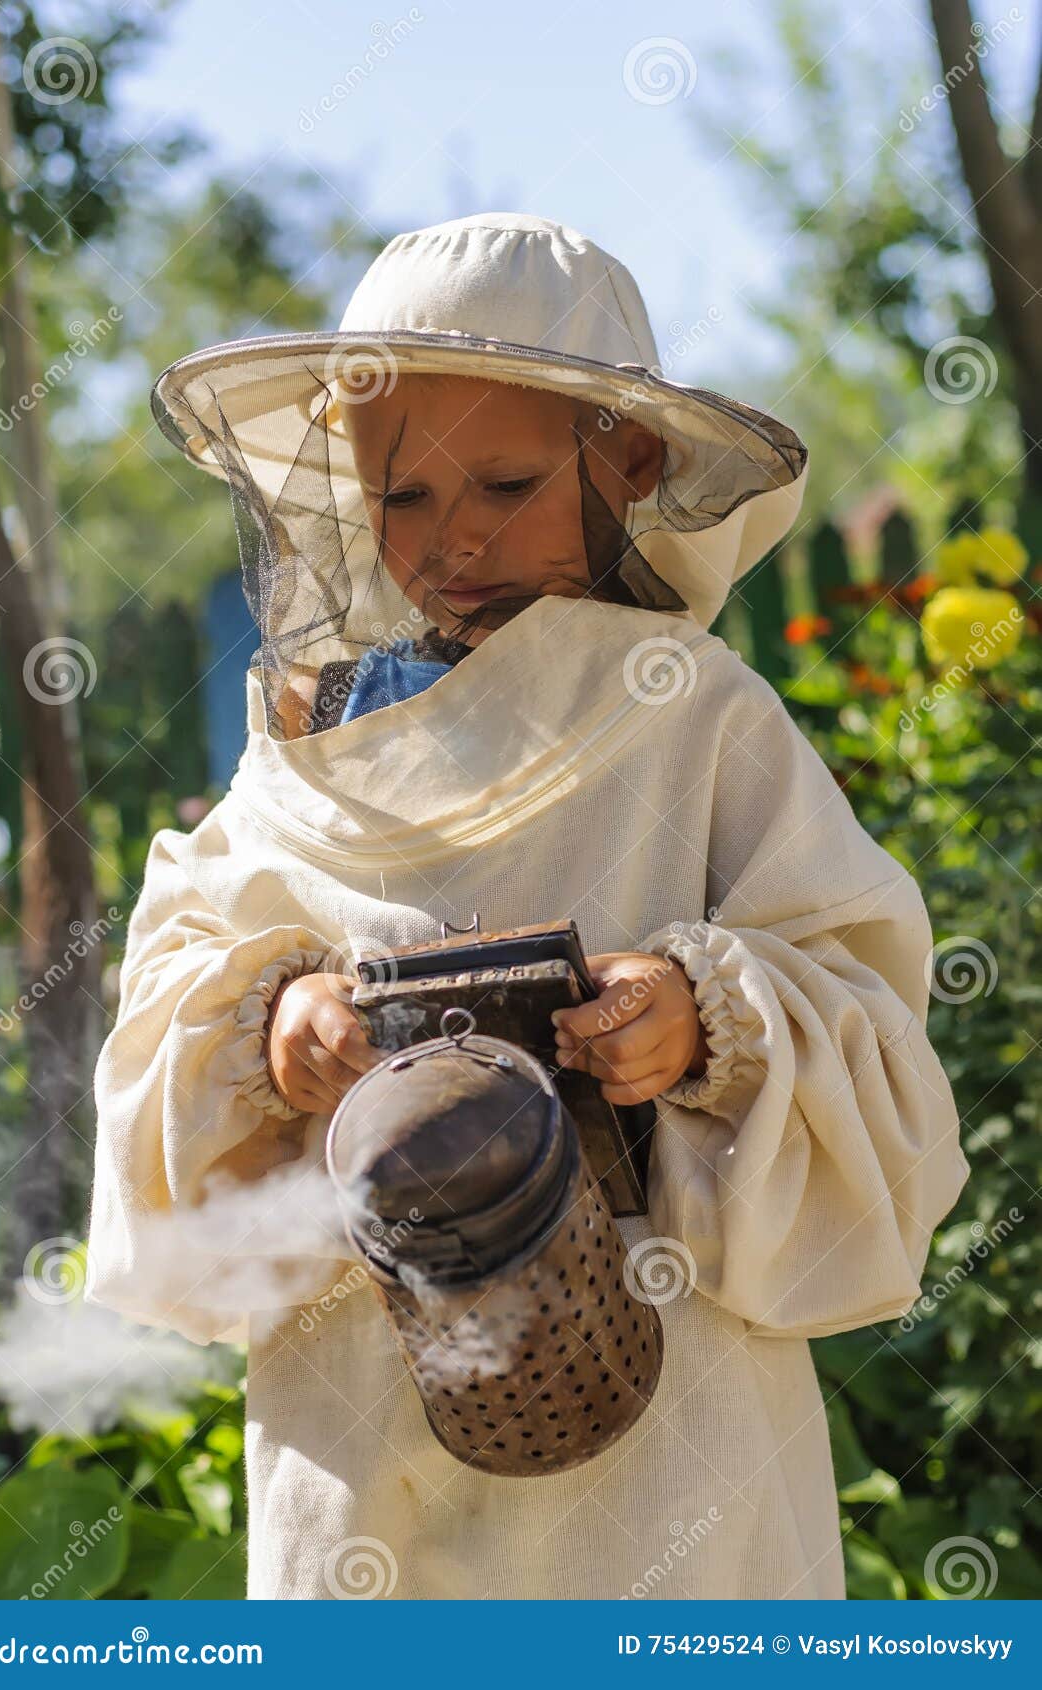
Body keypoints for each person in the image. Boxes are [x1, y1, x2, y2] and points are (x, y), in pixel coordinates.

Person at [85, 212, 969, 1601]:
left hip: (666, 1458)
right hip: (363, 1441)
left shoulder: (701, 722)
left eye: (501, 482)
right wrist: (279, 1024)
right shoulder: (306, 738)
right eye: (404, 497)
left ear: (627, 461)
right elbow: (168, 1001)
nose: (452, 541)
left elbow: (864, 1011)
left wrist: (703, 1018)